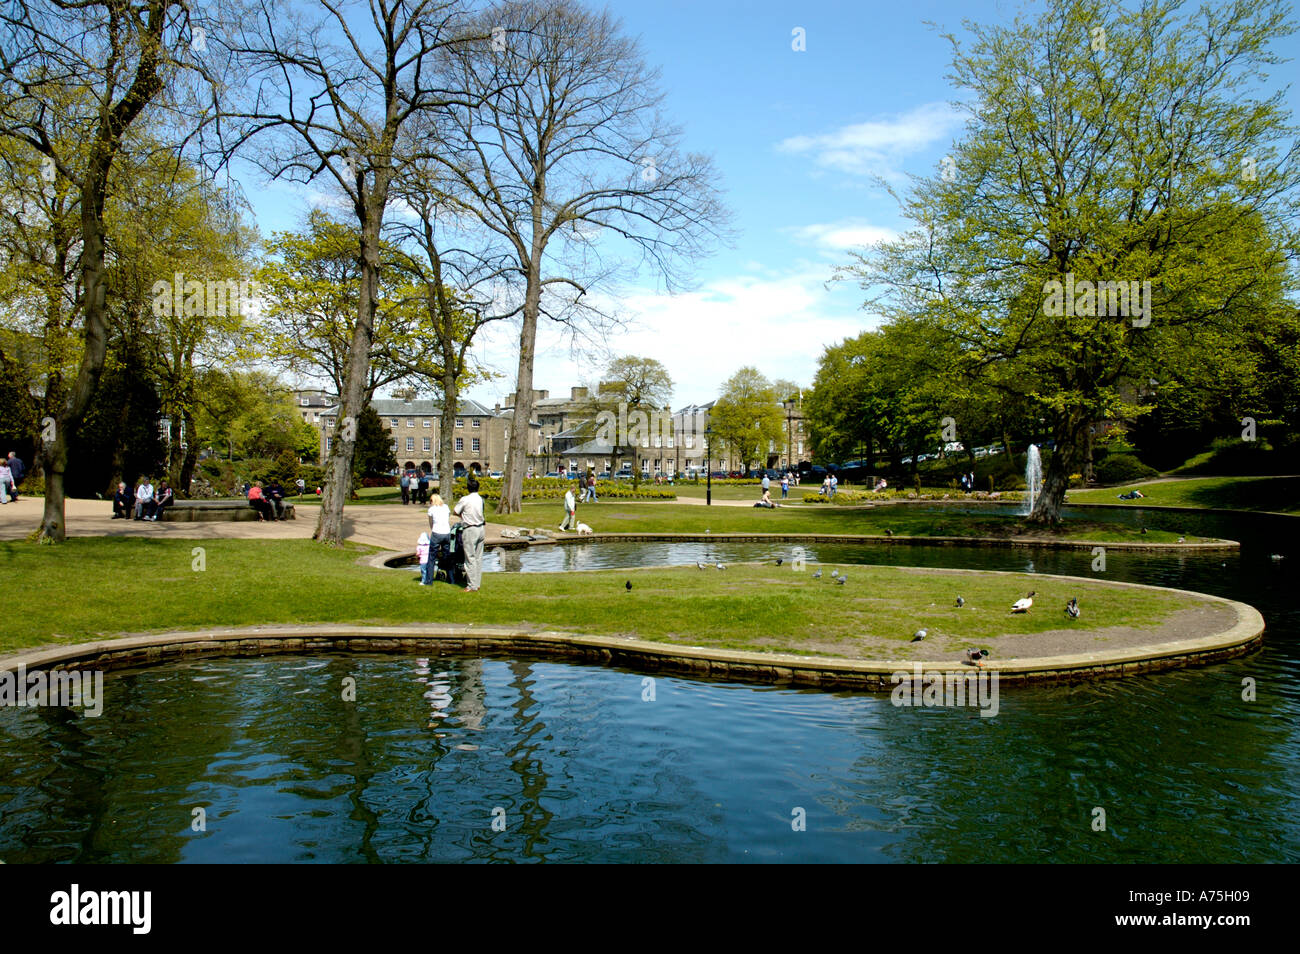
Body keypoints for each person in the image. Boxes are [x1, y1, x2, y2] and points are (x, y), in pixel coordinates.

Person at [452, 477, 486, 592]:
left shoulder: (465, 499)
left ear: (468, 488)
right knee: (478, 557)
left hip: (470, 529)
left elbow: (455, 511)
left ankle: (471, 585)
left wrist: (463, 517)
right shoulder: (480, 499)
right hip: (481, 528)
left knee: (469, 557)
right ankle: (477, 583)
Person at [427, 493, 452, 581]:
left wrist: (433, 529)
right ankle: (451, 579)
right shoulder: (446, 507)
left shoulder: (431, 509)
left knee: (432, 557)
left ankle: (429, 580)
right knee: (447, 556)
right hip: (446, 532)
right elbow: (448, 517)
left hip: (437, 533)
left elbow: (431, 522)